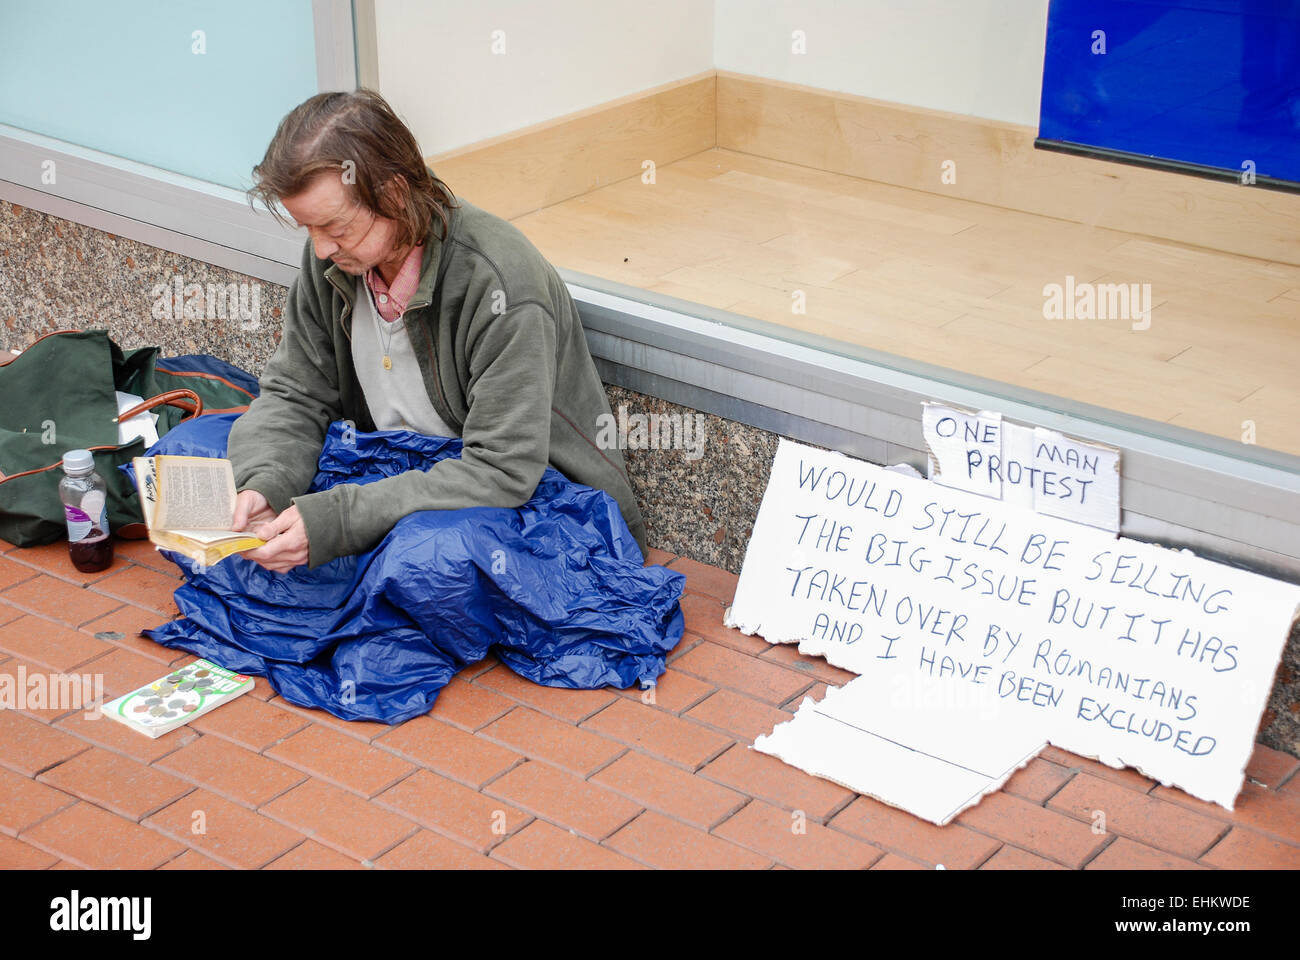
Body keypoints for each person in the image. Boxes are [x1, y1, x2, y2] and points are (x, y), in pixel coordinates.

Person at [228, 89, 645, 572]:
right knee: (207, 459)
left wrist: (340, 520)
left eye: (336, 228)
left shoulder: (500, 281)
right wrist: (262, 485)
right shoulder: (332, 260)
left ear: (395, 195)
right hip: (394, 465)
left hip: (534, 501)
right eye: (309, 230)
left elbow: (501, 470)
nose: (320, 249)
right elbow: (294, 395)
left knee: (424, 564)